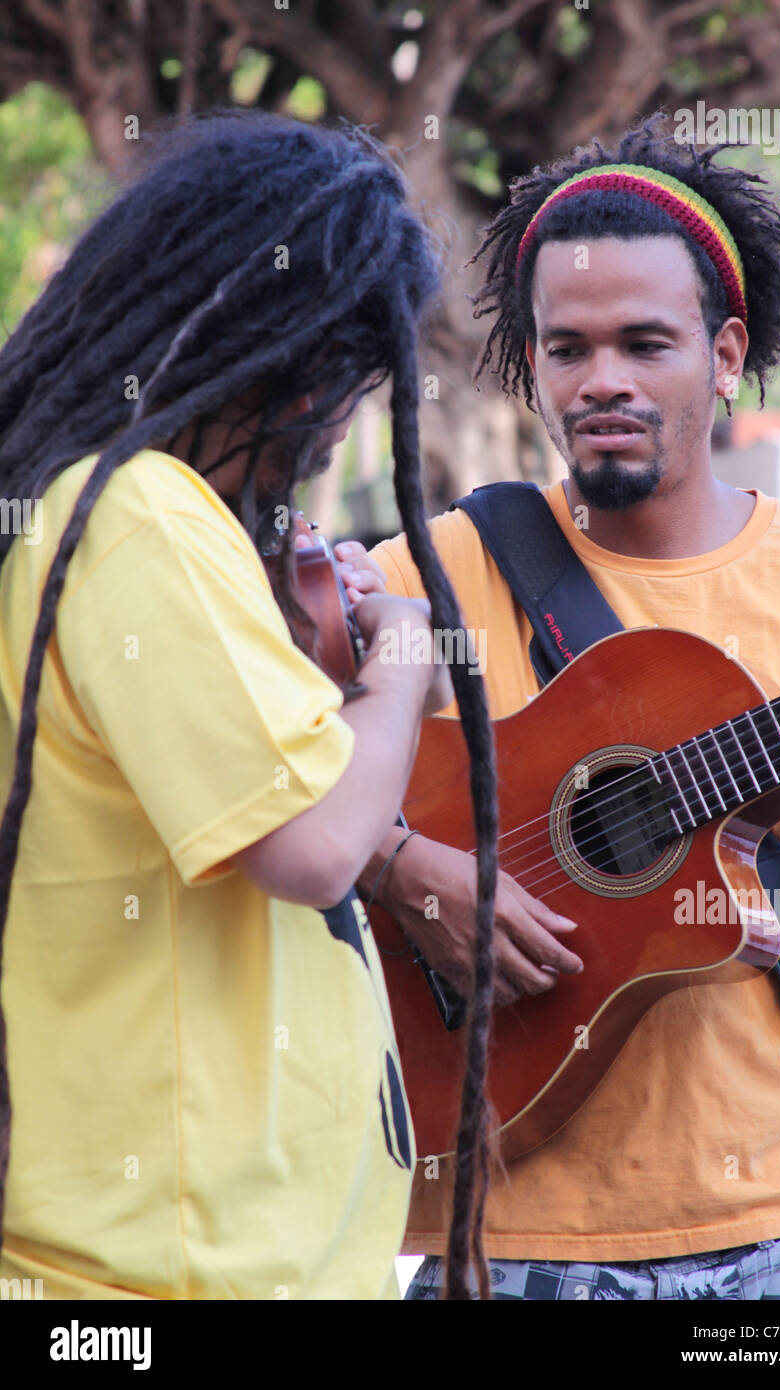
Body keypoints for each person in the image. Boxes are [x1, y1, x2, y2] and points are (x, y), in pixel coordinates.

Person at [352, 115, 780, 1299]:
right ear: (528, 363)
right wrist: (407, 869)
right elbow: (258, 768)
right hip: (514, 1236)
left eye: (644, 343)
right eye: (566, 349)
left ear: (725, 351)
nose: (603, 383)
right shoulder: (428, 573)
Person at [0, 110, 498, 1300]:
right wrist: (401, 652)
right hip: (172, 1275)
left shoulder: (67, 505)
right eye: (338, 384)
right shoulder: (141, 513)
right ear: (284, 356)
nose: (329, 436)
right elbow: (315, 841)